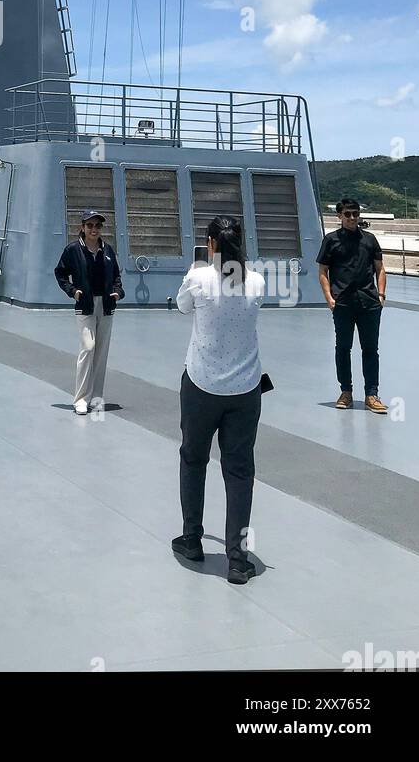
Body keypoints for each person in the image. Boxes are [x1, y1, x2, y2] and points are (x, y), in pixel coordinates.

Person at [173, 216, 266, 585]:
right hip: (245, 390)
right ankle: (237, 559)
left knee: (194, 460)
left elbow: (182, 307)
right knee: (240, 472)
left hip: (201, 385)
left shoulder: (198, 277)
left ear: (210, 242)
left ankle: (192, 539)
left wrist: (198, 268)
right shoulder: (257, 281)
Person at [317, 198, 387, 413]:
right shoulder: (331, 240)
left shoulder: (370, 240)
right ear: (339, 216)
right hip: (343, 304)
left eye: (355, 214)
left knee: (370, 350)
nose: (352, 218)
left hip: (369, 302)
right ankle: (346, 392)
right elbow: (323, 271)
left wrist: (381, 295)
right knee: (343, 348)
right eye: (347, 214)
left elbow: (380, 268)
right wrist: (329, 298)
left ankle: (371, 395)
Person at [54, 208, 123, 416]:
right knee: (88, 347)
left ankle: (96, 397)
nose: (94, 229)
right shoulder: (73, 250)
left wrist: (118, 292)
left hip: (106, 306)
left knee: (101, 353)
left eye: (98, 225)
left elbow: (117, 277)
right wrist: (72, 291)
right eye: (90, 225)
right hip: (85, 305)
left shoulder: (108, 250)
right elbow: (60, 273)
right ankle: (81, 399)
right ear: (82, 228)